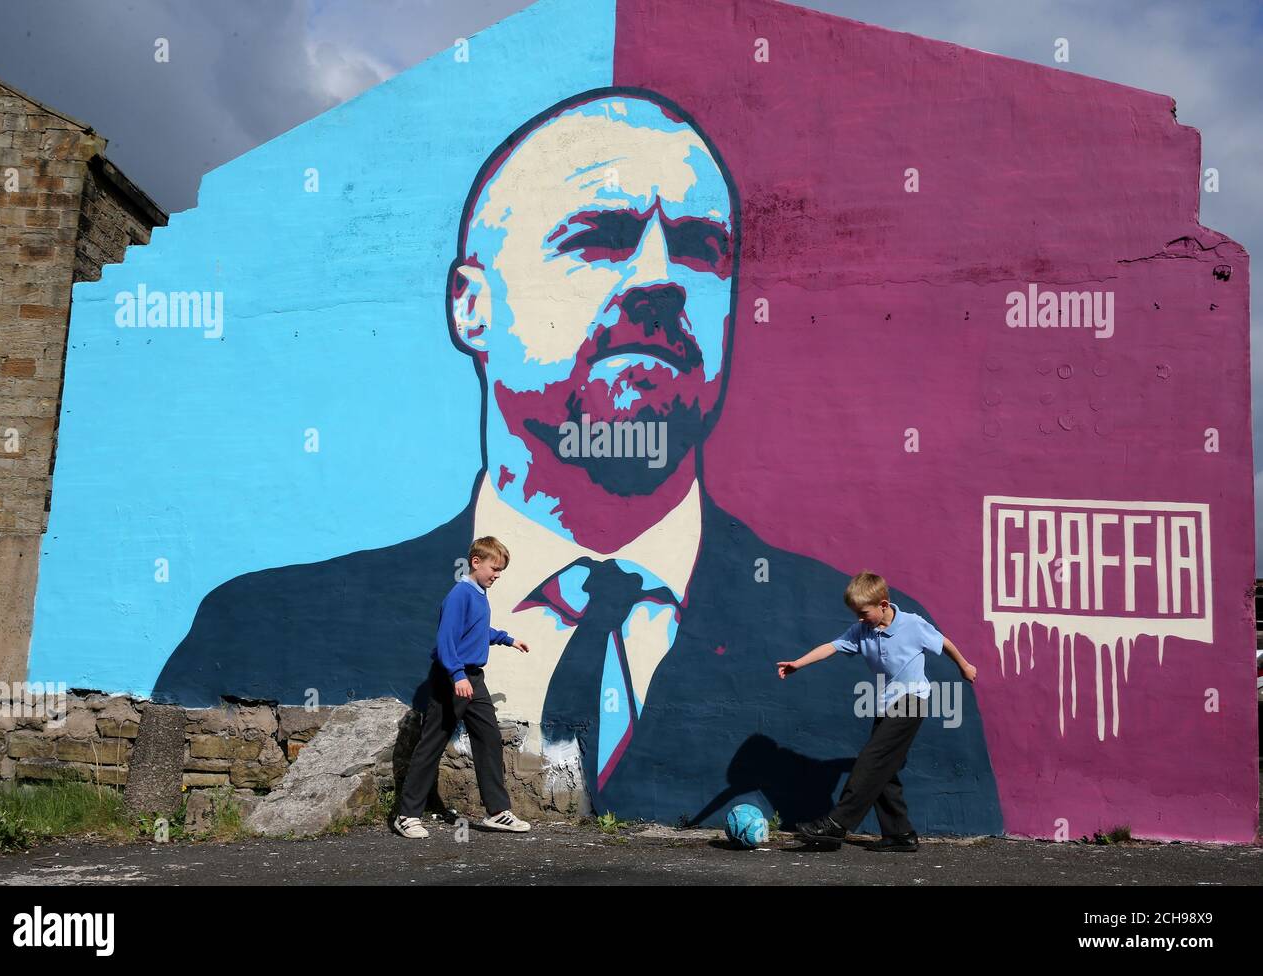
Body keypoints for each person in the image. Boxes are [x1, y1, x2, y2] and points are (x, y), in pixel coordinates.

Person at [152, 88, 1002, 834]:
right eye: (601, 236)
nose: (661, 279)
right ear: (471, 306)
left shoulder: (875, 645)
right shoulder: (260, 629)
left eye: (703, 251)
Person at [777, 572, 979, 852]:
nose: (859, 619)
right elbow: (832, 647)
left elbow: (943, 642)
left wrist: (964, 666)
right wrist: (798, 663)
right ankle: (900, 835)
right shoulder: (862, 631)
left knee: (872, 760)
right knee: (885, 770)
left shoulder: (912, 624)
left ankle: (837, 823)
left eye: (864, 613)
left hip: (912, 701)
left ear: (883, 604)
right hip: (886, 704)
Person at [392, 536, 532, 838]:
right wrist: (456, 675)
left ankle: (497, 811)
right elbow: (445, 641)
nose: (497, 575)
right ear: (476, 562)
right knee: (432, 744)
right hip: (451, 678)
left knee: (489, 738)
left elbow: (477, 630)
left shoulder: (479, 593)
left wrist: (507, 639)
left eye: (501, 571)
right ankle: (406, 815)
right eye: (494, 568)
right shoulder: (460, 594)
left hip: (473, 679)